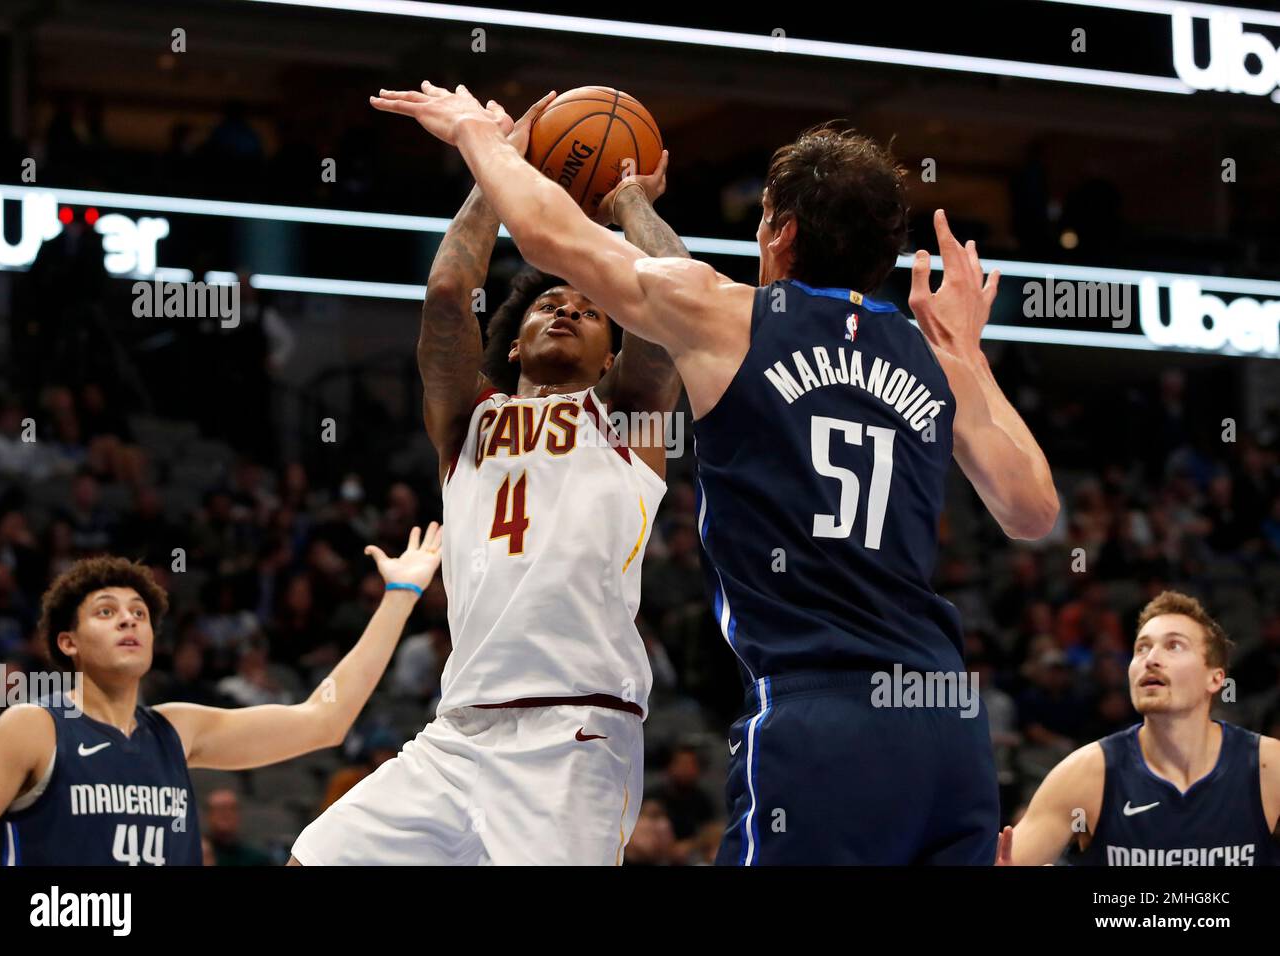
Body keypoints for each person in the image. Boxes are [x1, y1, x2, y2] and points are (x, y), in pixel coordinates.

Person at [371, 82, 1059, 864]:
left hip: (820, 717)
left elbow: (545, 233)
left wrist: (477, 137)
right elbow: (1034, 512)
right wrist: (969, 354)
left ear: (781, 231)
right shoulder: (936, 362)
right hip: (945, 725)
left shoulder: (730, 316)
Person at [291, 95, 686, 865]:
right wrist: (494, 166)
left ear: (612, 356)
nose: (567, 309)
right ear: (512, 346)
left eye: (590, 310)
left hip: (576, 731)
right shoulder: (467, 422)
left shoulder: (631, 420)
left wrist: (629, 199)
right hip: (459, 728)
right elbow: (446, 296)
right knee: (314, 856)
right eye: (548, 302)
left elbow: (674, 297)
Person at [0, 524, 441, 865]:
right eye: (106, 611)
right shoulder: (34, 727)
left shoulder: (176, 729)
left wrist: (400, 594)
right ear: (68, 642)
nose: (129, 620)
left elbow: (325, 718)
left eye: (139, 613)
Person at [998, 591, 1280, 866]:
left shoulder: (1269, 767)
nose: (1151, 659)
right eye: (1141, 648)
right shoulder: (1086, 774)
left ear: (1215, 678)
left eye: (1174, 646)